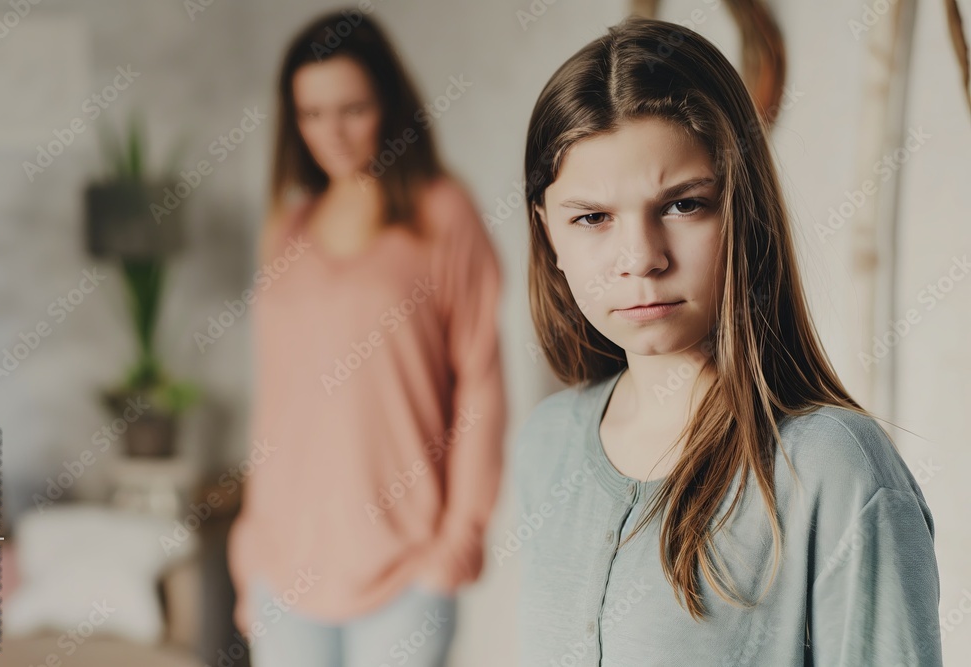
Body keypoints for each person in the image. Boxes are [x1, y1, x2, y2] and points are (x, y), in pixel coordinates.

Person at [514, 16, 942, 666]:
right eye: (593, 217)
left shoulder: (834, 469)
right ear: (547, 233)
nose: (641, 257)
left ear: (745, 206)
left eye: (684, 204)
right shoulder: (544, 443)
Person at [226, 10, 507, 666]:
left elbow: (482, 384)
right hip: (281, 566)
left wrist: (457, 539)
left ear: (389, 102)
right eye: (311, 113)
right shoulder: (288, 229)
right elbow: (277, 398)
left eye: (352, 108)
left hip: (405, 566)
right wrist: (249, 544)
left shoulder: (442, 213)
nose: (333, 133)